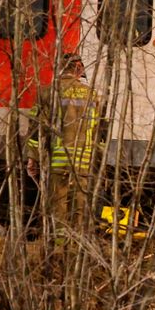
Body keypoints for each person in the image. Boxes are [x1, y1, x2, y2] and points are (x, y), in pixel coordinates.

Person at [26, 52, 103, 233]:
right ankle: (76, 247)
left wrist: (33, 158)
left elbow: (36, 128)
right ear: (78, 68)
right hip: (83, 163)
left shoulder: (48, 92)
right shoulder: (92, 95)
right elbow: (99, 130)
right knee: (79, 207)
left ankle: (59, 247)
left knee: (58, 206)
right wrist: (98, 159)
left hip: (57, 161)